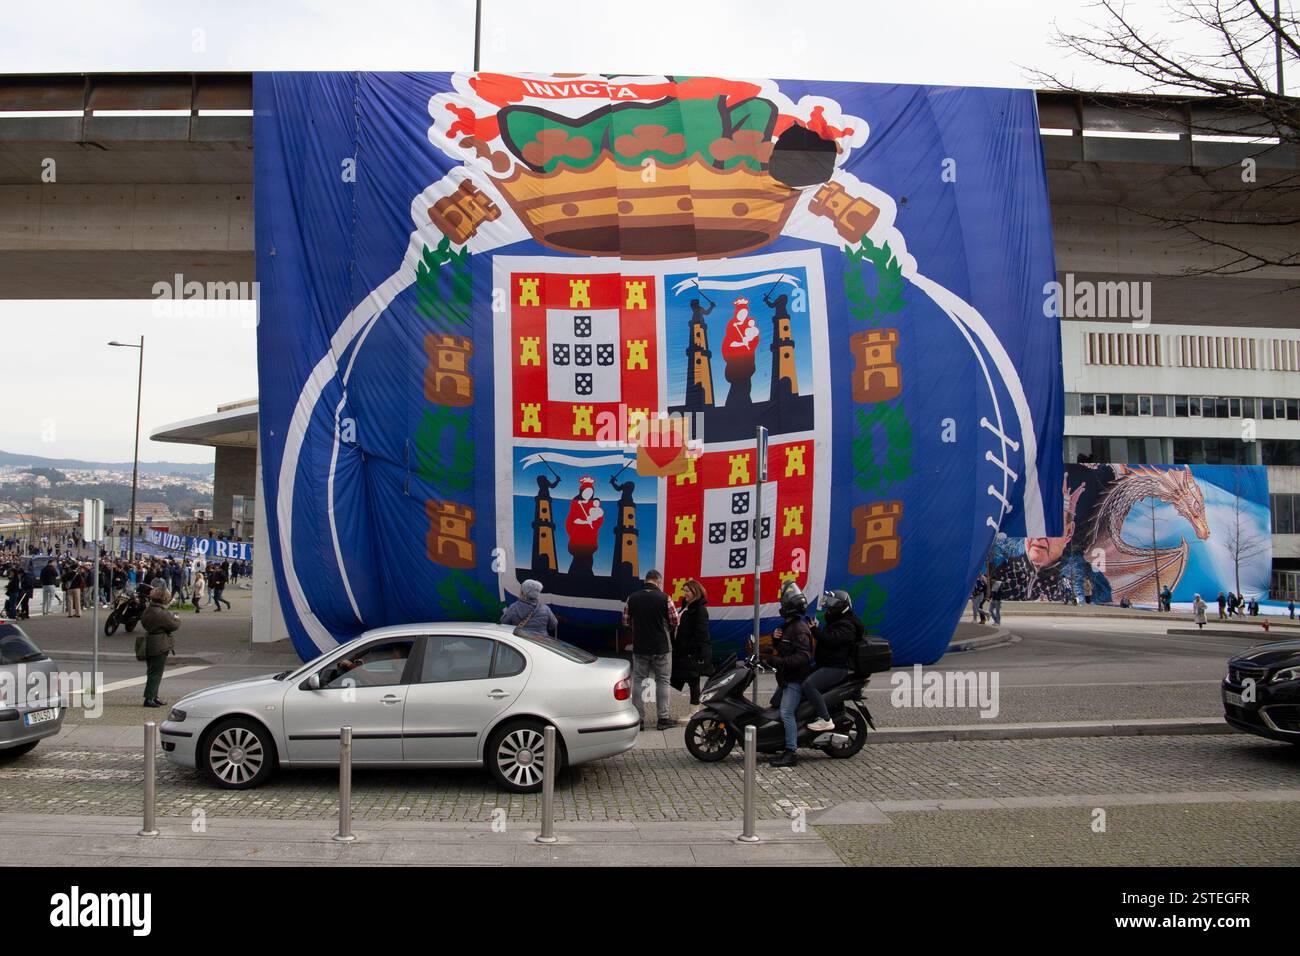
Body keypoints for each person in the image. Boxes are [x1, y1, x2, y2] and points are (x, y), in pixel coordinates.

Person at [761, 584, 815, 768]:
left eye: (783, 603)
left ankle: (791, 751)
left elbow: (804, 656)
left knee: (786, 712)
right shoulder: (789, 626)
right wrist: (775, 642)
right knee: (773, 707)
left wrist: (779, 662)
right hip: (786, 677)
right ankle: (775, 741)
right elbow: (784, 647)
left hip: (796, 679)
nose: (781, 607)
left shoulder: (799, 628)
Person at [621, 569, 679, 731]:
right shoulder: (665, 598)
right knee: (663, 681)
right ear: (658, 582)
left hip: (640, 646)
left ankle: (639, 720)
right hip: (661, 646)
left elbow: (625, 621)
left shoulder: (632, 598)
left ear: (646, 581)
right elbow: (675, 620)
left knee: (638, 680)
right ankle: (663, 719)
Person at [802, 590, 859, 733]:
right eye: (828, 608)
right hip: (827, 664)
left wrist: (814, 630)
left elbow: (831, 640)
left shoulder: (848, 625)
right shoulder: (839, 622)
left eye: (832, 608)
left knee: (809, 685)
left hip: (836, 667)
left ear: (842, 607)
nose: (829, 611)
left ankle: (825, 719)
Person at [670, 579, 711, 706]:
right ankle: (693, 710)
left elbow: (701, 634)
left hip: (691, 653)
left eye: (687, 591)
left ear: (695, 592)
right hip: (682, 651)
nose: (685, 593)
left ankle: (694, 711)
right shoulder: (685, 607)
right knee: (687, 680)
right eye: (684, 591)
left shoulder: (700, 610)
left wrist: (688, 648)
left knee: (693, 681)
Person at [140, 587, 180, 707]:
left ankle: (154, 696)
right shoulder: (162, 613)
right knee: (156, 673)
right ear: (163, 598)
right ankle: (149, 698)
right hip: (160, 643)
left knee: (152, 671)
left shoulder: (148, 610)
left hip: (149, 641)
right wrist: (177, 618)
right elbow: (173, 625)